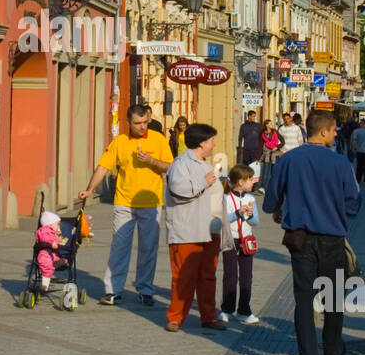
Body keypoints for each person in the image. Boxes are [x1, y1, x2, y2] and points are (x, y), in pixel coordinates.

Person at [262, 109, 361, 355]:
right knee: (333, 297)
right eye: (334, 130)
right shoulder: (340, 164)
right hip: (332, 238)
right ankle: (331, 350)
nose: (336, 134)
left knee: (304, 299)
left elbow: (271, 197)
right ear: (325, 131)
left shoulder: (288, 160)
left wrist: (279, 208)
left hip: (300, 238)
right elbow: (354, 202)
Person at [79, 103, 174, 306]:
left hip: (151, 202)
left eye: (145, 123)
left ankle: (145, 289)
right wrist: (90, 190)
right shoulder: (120, 142)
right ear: (128, 123)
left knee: (148, 248)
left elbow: (170, 166)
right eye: (137, 123)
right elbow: (103, 167)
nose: (142, 127)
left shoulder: (158, 139)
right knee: (119, 246)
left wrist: (151, 162)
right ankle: (113, 290)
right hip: (124, 202)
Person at [163, 123, 223, 332]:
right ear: (202, 142)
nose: (214, 144)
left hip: (209, 230)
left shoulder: (205, 164)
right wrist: (203, 182)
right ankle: (175, 317)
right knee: (184, 276)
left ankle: (209, 316)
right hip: (188, 230)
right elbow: (178, 191)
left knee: (208, 276)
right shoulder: (181, 164)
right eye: (211, 140)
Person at [219, 164, 260, 324]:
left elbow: (255, 221)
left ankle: (244, 309)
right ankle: (226, 309)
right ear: (241, 182)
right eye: (250, 179)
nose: (253, 182)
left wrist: (249, 215)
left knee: (246, 276)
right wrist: (237, 213)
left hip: (247, 240)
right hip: (230, 239)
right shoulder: (226, 198)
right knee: (230, 275)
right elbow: (223, 220)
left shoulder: (251, 199)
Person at [33, 211, 69, 292]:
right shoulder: (45, 230)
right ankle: (45, 285)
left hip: (51, 254)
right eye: (58, 224)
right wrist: (52, 243)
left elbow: (53, 238)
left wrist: (59, 239)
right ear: (50, 224)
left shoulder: (52, 231)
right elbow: (45, 238)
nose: (59, 226)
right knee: (47, 266)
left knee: (55, 259)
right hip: (44, 254)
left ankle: (59, 262)